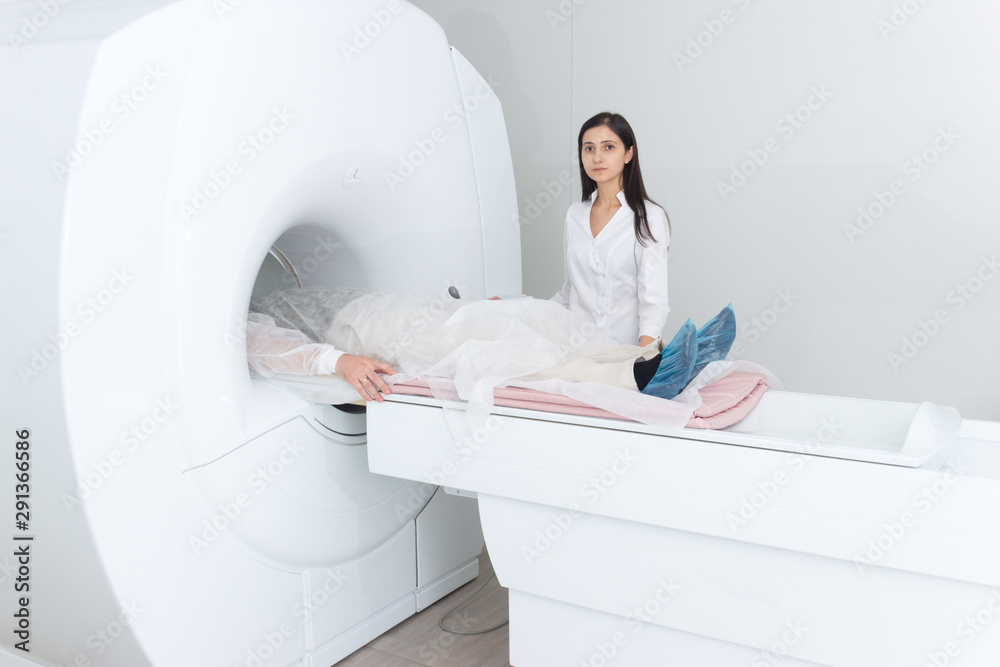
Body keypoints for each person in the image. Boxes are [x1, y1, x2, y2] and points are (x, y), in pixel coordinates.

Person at [245, 287, 734, 403]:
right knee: (495, 349)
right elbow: (266, 348)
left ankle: (648, 358)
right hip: (362, 335)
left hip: (383, 314)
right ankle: (636, 377)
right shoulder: (235, 321)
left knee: (521, 316)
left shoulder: (263, 295)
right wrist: (340, 362)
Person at [551, 112, 670, 349]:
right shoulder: (575, 215)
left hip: (623, 354)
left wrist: (642, 360)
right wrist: (517, 310)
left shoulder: (648, 217)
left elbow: (653, 301)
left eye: (608, 147)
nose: (597, 158)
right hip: (575, 351)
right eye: (589, 149)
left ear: (628, 153)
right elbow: (569, 292)